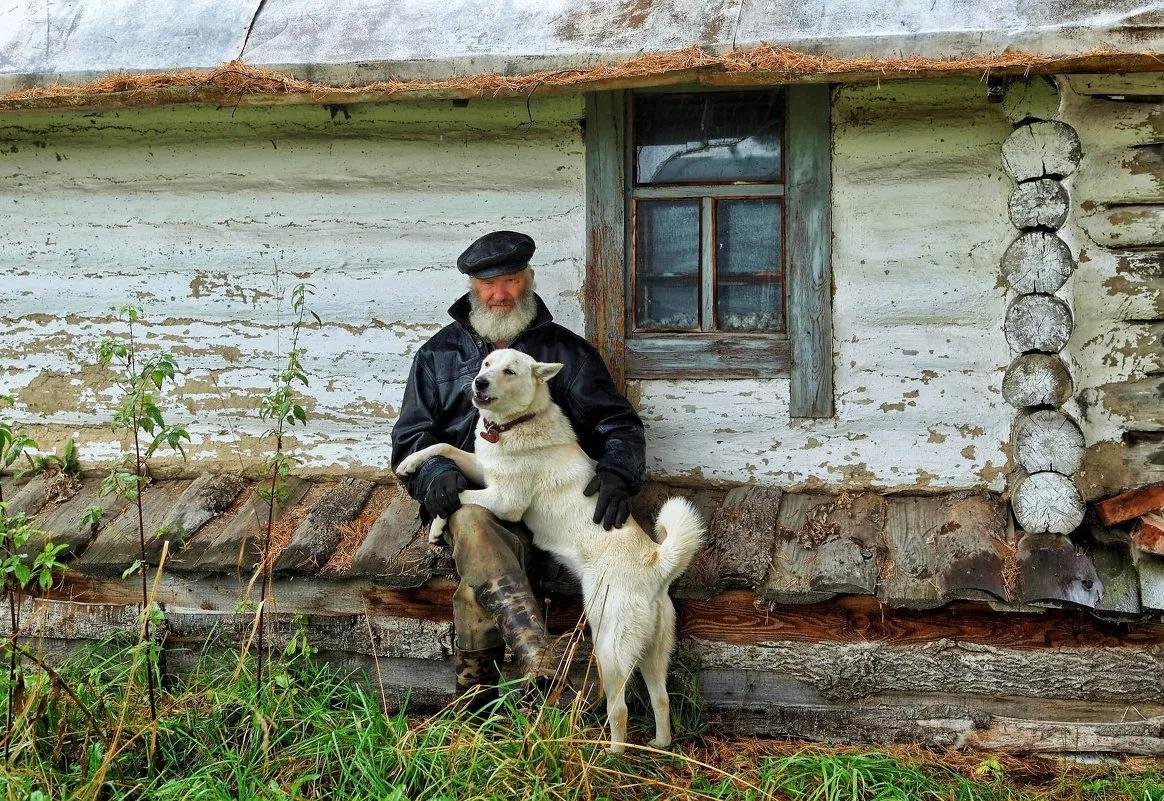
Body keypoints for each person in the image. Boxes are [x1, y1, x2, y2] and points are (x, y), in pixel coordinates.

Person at [390, 230, 646, 707]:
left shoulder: (565, 353)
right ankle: (526, 658)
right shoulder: (437, 355)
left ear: (527, 279)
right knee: (470, 521)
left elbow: (617, 422)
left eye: (509, 280)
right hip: (480, 501)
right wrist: (436, 477)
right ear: (472, 286)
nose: (500, 294)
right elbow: (410, 437)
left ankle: (478, 703)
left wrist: (618, 471)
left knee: (475, 588)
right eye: (488, 284)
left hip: (550, 504)